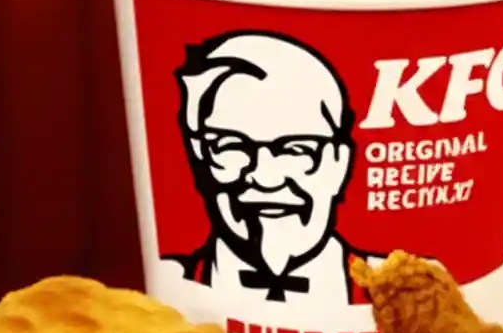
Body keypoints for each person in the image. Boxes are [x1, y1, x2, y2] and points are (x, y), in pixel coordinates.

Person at [163, 31, 384, 305]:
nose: (266, 178)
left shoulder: (401, 293)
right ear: (199, 158)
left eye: (297, 149)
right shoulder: (167, 282)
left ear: (339, 163)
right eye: (232, 147)